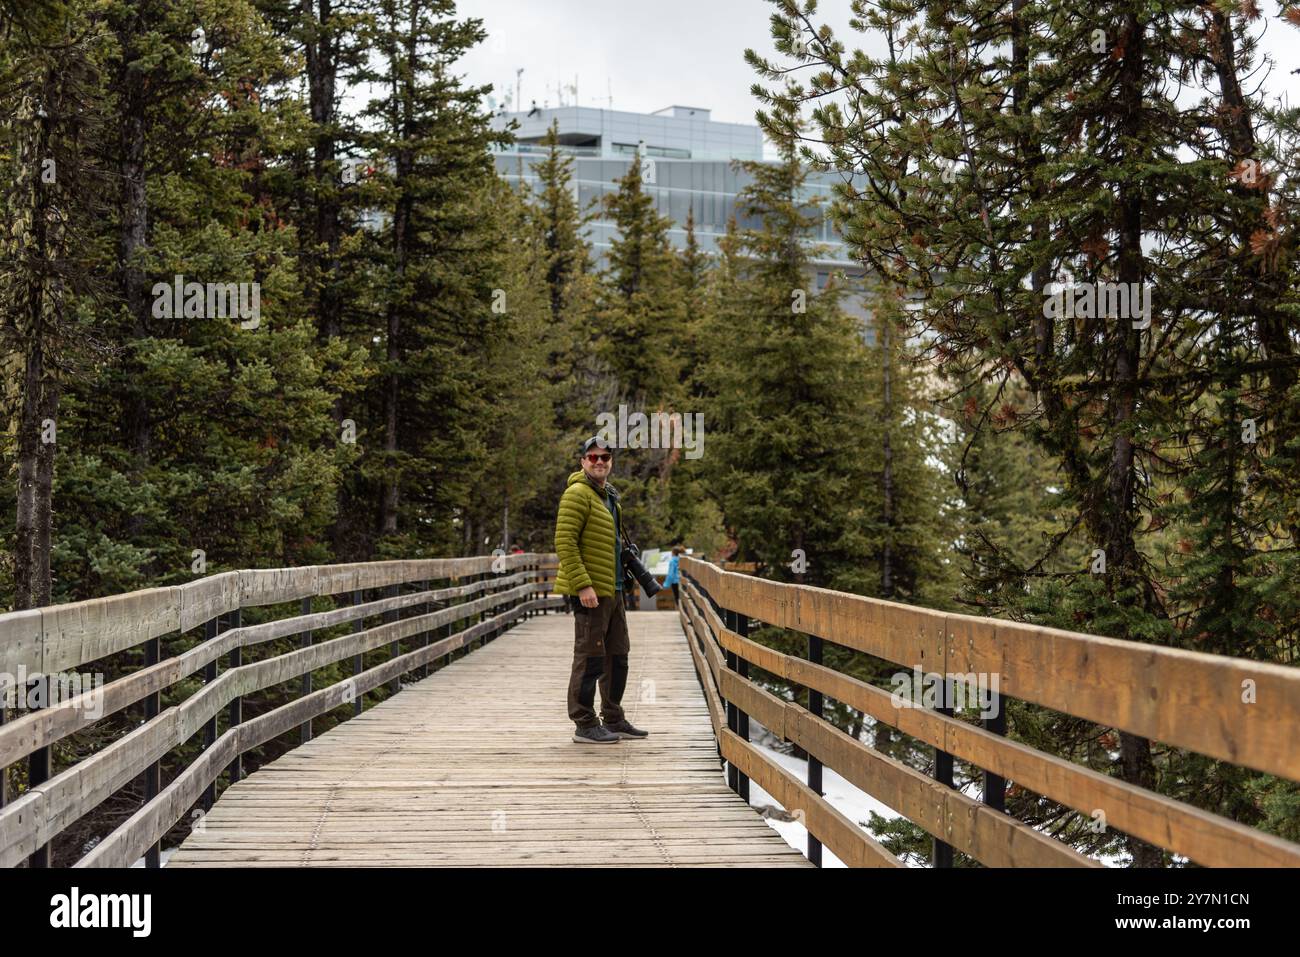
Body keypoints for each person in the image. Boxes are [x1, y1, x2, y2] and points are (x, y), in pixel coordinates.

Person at [553, 437, 650, 744]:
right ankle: (584, 723)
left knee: (617, 656)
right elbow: (564, 542)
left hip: (614, 589)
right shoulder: (577, 494)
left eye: (604, 457)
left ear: (610, 461)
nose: (599, 461)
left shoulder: (609, 496)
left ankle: (614, 718)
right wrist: (582, 585)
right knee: (590, 656)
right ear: (583, 462)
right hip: (591, 591)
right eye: (592, 457)